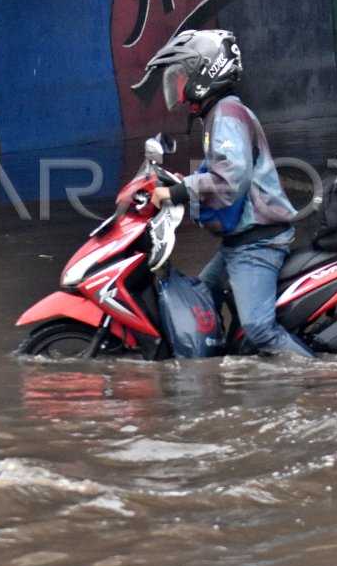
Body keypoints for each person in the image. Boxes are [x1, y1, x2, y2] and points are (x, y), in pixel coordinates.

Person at [133, 28, 314, 357]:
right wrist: (177, 183)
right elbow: (217, 169)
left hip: (257, 242)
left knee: (259, 328)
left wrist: (175, 193)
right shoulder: (221, 113)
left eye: (181, 75)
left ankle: (325, 381)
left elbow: (230, 178)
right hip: (241, 241)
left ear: (205, 72)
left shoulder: (226, 114)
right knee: (201, 296)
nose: (176, 85)